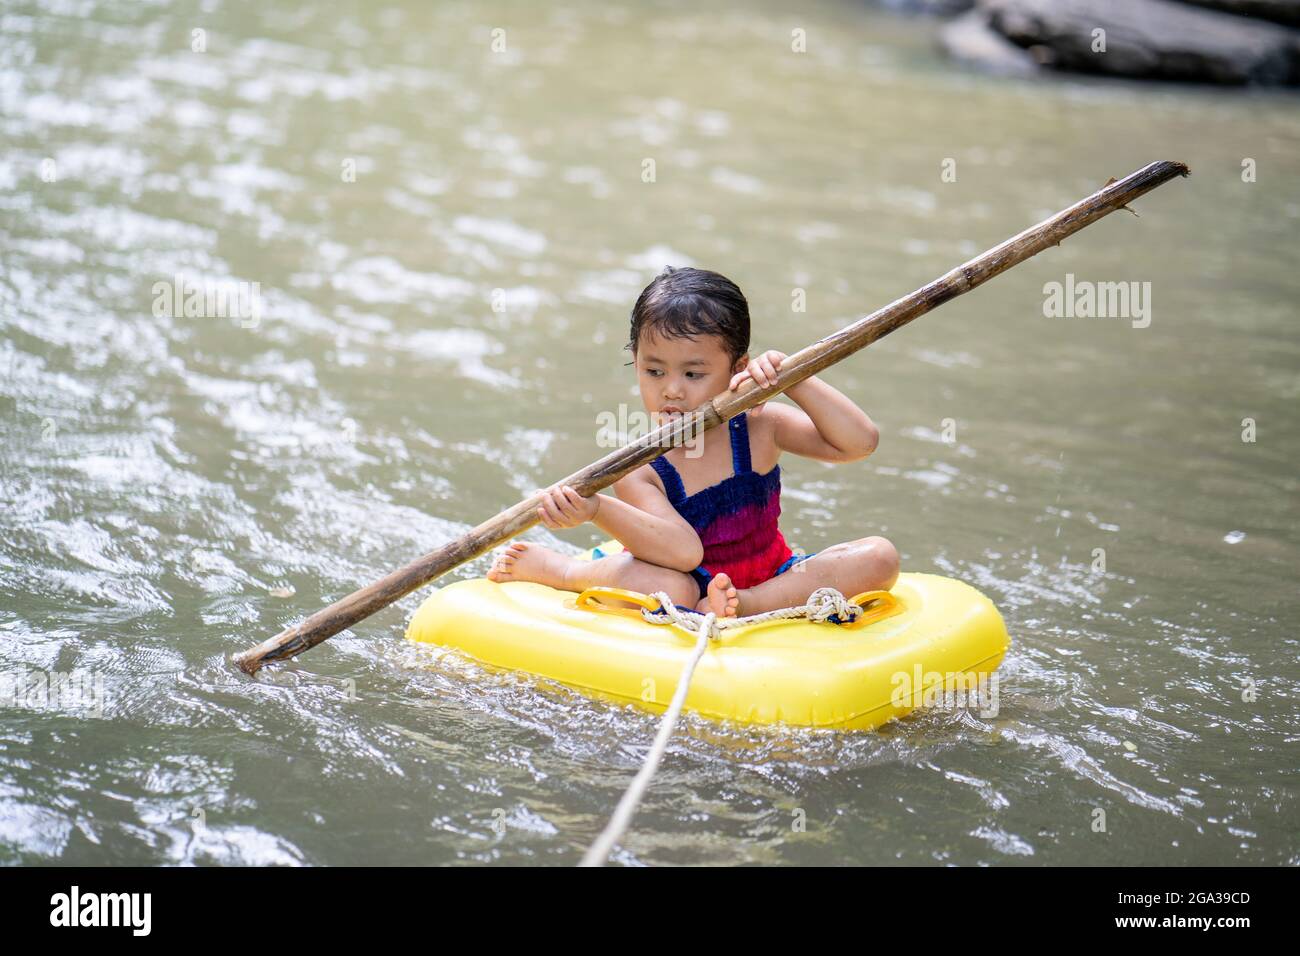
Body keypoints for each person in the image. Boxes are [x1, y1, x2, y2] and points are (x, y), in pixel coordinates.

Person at [488, 266, 899, 618]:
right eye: (653, 372)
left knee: (880, 557)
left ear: (739, 368)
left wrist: (794, 378)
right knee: (675, 589)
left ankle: (749, 603)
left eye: (692, 374)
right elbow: (684, 554)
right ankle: (563, 571)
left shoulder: (760, 424)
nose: (671, 391)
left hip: (772, 576)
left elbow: (858, 443)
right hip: (681, 576)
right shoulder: (640, 468)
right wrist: (596, 508)